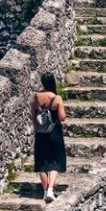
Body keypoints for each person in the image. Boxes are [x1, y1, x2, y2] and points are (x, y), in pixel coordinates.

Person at [30, 71, 67, 201]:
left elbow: (33, 117)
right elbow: (62, 118)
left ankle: (45, 191)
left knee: (42, 163)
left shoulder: (36, 97)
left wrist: (37, 128)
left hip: (41, 134)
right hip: (54, 133)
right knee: (55, 162)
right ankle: (50, 190)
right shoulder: (57, 98)